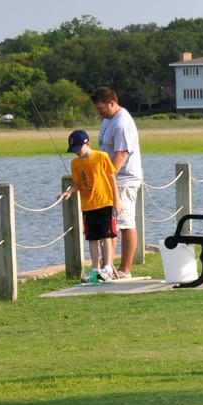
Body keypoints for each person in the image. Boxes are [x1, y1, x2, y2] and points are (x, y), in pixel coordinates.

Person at [92, 87, 143, 279]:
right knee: (110, 222)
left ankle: (124, 270)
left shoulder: (122, 123)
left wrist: (107, 177)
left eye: (101, 108)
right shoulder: (108, 120)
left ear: (112, 103)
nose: (99, 112)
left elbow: (121, 154)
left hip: (124, 179)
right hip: (110, 179)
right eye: (97, 109)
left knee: (125, 222)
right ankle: (108, 267)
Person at [59, 129, 119, 283]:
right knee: (92, 238)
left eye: (79, 148)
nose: (77, 152)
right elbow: (77, 183)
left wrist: (117, 200)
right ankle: (95, 270)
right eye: (74, 149)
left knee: (106, 236)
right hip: (88, 205)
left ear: (88, 144)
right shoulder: (75, 163)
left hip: (105, 203)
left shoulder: (101, 157)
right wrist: (69, 192)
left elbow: (112, 178)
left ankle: (107, 268)